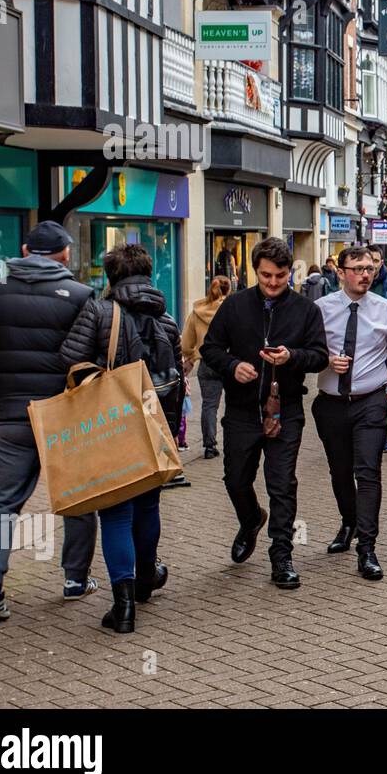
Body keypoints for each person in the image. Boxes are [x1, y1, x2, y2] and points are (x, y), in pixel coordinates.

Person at [0, 222, 101, 621]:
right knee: (78, 495)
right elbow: (89, 360)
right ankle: (75, 579)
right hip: (64, 414)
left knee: (1, 503)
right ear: (64, 254)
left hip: (9, 416)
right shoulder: (79, 295)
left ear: (25, 250)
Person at [58, 244, 179, 633]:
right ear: (149, 273)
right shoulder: (168, 318)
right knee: (148, 507)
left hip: (112, 427)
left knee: (116, 513)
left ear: (111, 276)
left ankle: (123, 606)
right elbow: (176, 375)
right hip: (154, 423)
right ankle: (146, 576)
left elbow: (70, 360)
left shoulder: (97, 311)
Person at [200, 236, 329, 590]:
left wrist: (292, 357)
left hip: (285, 410)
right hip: (242, 411)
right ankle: (250, 518)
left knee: (282, 483)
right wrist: (233, 365)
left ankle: (282, 555)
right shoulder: (235, 306)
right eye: (266, 275)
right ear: (255, 271)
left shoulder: (305, 310)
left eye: (281, 276)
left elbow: (319, 355)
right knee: (236, 478)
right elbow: (209, 348)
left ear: (291, 273)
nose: (273, 283)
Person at [312, 247, 387, 581]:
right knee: (340, 472)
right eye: (357, 269)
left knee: (368, 473)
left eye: (370, 268)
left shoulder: (384, 309)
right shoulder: (320, 309)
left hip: (371, 401)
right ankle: (348, 523)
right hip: (331, 403)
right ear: (341, 273)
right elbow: (306, 352)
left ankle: (367, 548)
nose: (365, 275)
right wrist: (325, 360)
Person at [181, 276, 231, 460]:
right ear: (228, 290)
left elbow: (186, 342)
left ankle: (209, 446)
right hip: (230, 361)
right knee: (235, 404)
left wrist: (191, 357)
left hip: (207, 362)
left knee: (209, 405)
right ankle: (233, 442)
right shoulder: (232, 308)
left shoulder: (197, 311)